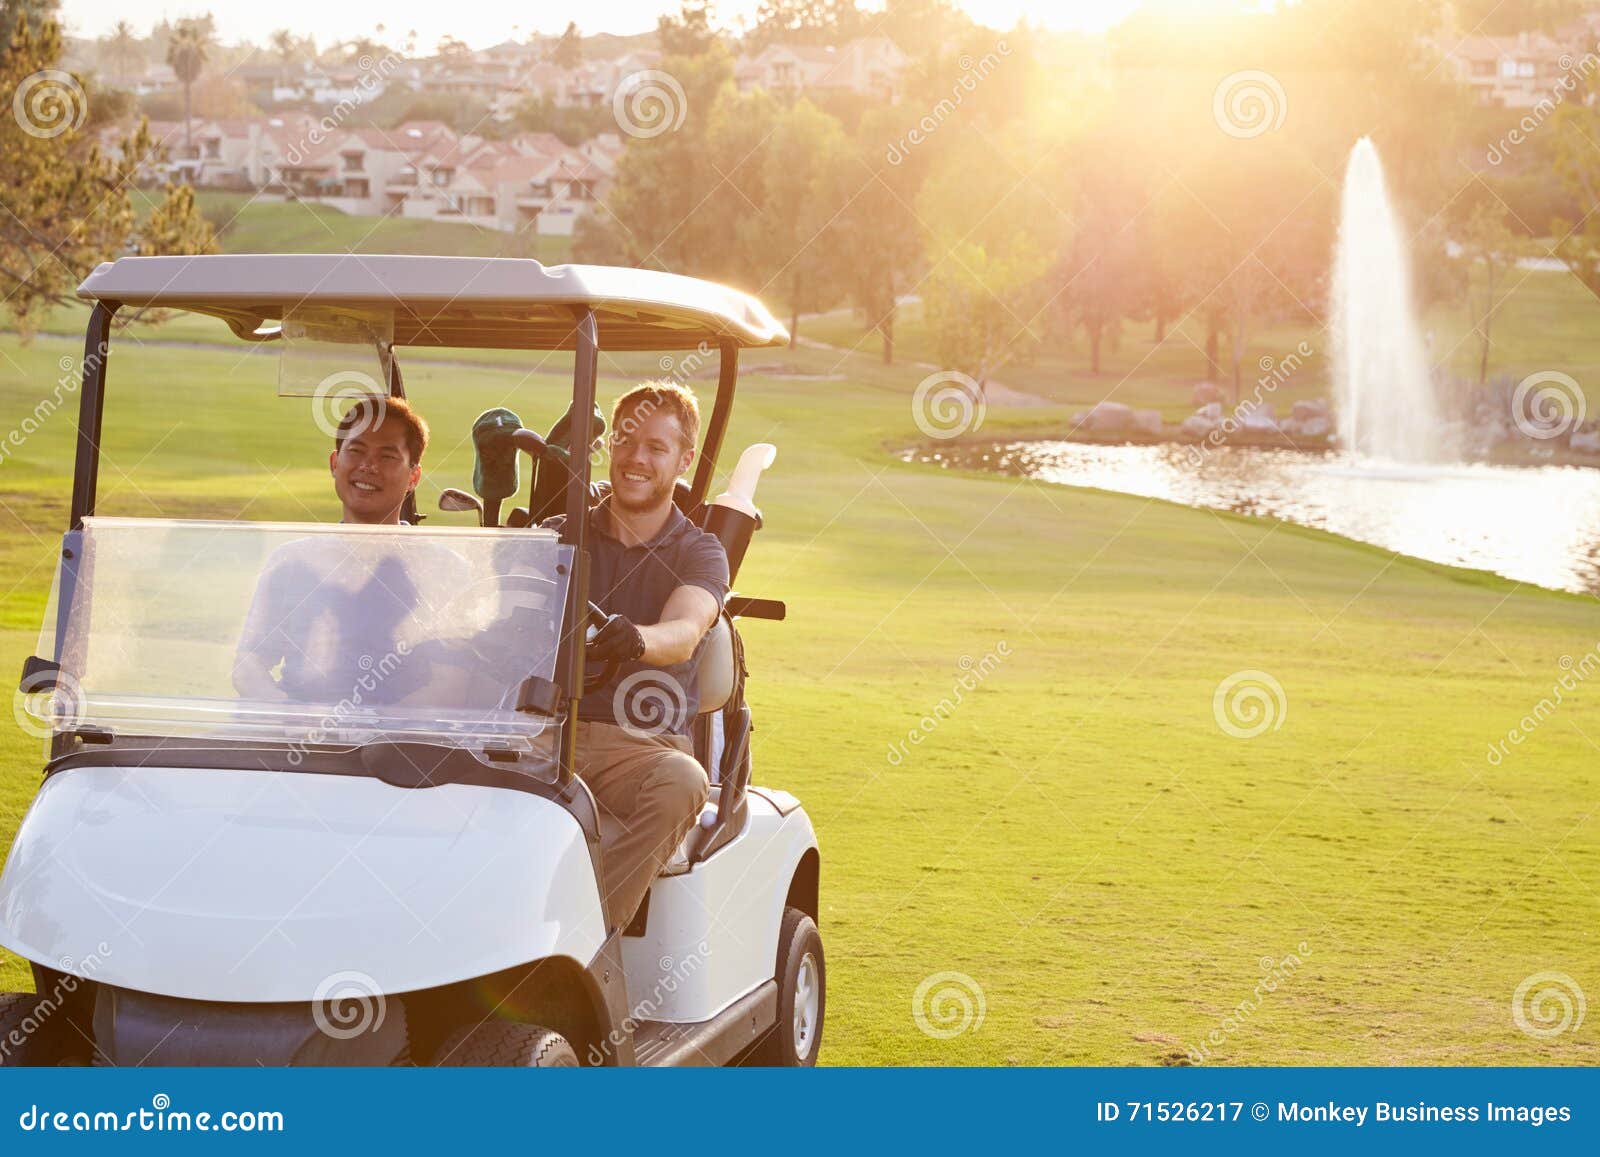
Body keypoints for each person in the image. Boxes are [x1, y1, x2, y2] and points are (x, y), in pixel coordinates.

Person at [548, 381, 728, 932]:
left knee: (681, 782)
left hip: (639, 748)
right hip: (548, 735)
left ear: (684, 459)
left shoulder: (698, 551)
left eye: (656, 446)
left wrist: (638, 640)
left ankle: (577, 942)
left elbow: (686, 627)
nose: (636, 458)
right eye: (626, 441)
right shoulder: (558, 536)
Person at [232, 396, 450, 705]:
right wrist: (290, 716)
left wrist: (379, 728)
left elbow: (450, 683)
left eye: (387, 457)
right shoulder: (292, 560)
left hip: (398, 744)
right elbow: (248, 663)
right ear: (335, 463)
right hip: (299, 733)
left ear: (413, 476)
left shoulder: (441, 567)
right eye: (356, 451)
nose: (368, 467)